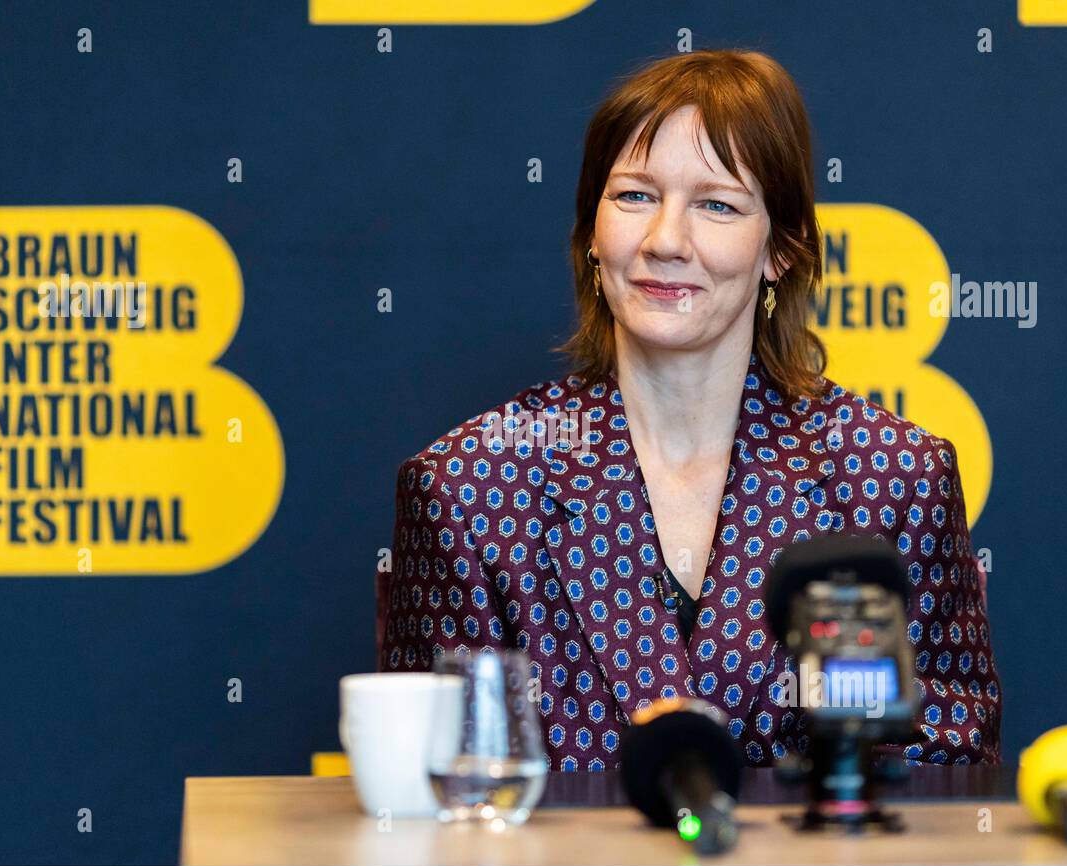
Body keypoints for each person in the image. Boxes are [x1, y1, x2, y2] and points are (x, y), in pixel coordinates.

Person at [381, 49, 1002, 770]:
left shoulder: (895, 478)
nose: (665, 241)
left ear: (783, 249)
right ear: (590, 236)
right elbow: (441, 798)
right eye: (635, 196)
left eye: (716, 204)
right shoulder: (467, 487)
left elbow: (949, 775)